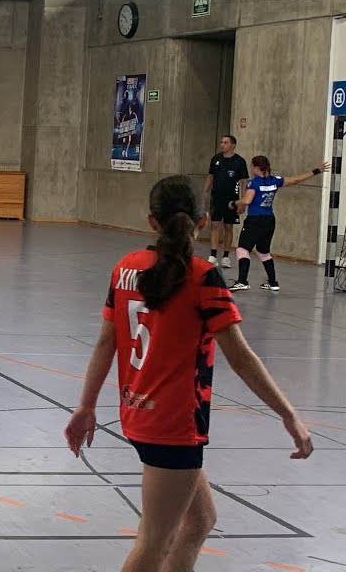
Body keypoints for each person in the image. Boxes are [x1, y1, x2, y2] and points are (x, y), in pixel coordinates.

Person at [64, 175, 313, 572]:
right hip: (174, 426)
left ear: (152, 221)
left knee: (199, 521)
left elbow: (105, 343)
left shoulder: (125, 268)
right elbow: (243, 359)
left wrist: (86, 406)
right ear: (202, 221)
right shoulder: (203, 278)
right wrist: (289, 414)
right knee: (154, 543)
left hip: (138, 414)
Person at [229, 155, 326, 292]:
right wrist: (316, 171)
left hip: (255, 220)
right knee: (263, 252)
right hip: (269, 220)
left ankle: (242, 281)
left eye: (251, 166)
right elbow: (296, 180)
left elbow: (247, 200)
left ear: (256, 168)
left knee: (242, 249)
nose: (250, 169)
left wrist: (234, 203)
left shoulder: (254, 182)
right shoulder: (275, 181)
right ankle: (273, 282)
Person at [202, 135, 246, 268]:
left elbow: (244, 182)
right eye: (221, 142)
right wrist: (204, 192)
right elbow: (210, 177)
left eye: (225, 143)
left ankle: (226, 257)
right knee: (215, 225)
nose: (222, 145)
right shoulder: (216, 159)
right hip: (216, 198)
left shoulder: (239, 161)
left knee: (228, 227)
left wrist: (242, 201)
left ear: (232, 145)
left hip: (231, 200)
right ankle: (213, 255)